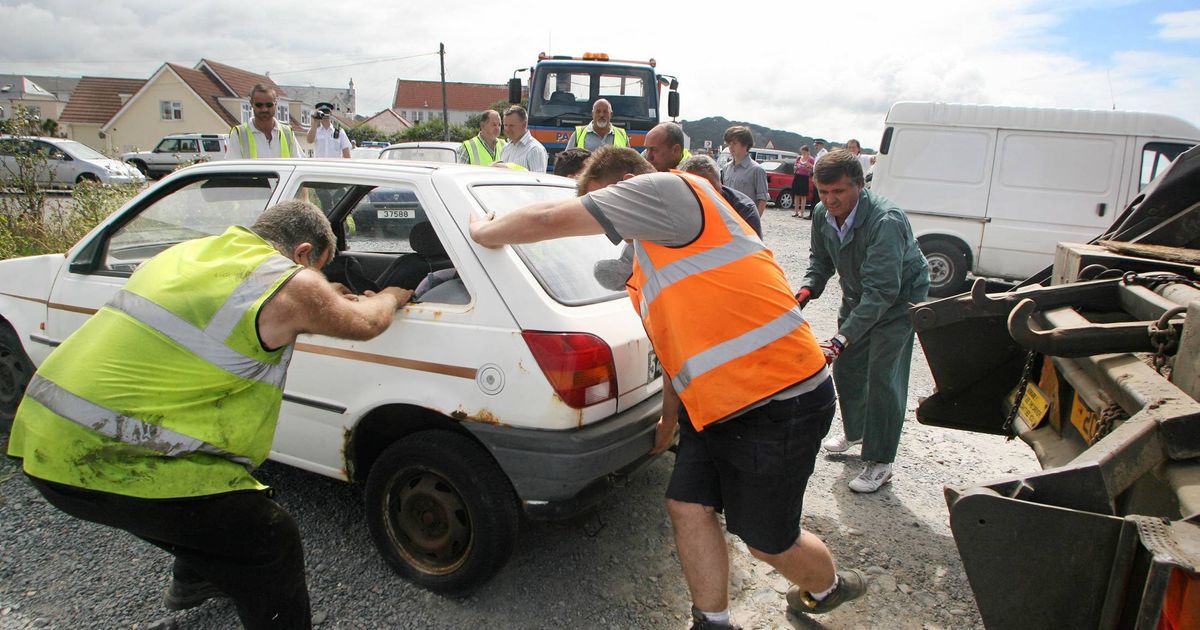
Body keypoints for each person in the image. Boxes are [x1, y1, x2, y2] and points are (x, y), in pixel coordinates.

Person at [470, 146, 867, 629]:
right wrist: (668, 419)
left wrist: (481, 230)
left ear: (631, 181)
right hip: (717, 406)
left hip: (778, 398)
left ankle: (828, 588)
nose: (612, 226)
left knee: (766, 540)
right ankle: (712, 622)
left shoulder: (674, 189)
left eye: (610, 205)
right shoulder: (648, 267)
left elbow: (551, 218)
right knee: (686, 504)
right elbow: (680, 351)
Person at [6, 200, 413, 629]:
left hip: (44, 438)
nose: (317, 280)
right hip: (114, 456)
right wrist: (391, 294)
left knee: (211, 513)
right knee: (270, 541)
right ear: (301, 254)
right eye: (318, 269)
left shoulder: (186, 254)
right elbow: (366, 323)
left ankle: (194, 581)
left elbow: (234, 303)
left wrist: (318, 292)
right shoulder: (291, 286)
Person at [796, 150, 930, 493]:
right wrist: (806, 290)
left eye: (839, 191)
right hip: (859, 294)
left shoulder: (886, 221)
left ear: (859, 184)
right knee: (848, 369)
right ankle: (857, 434)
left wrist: (841, 338)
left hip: (898, 301)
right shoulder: (823, 214)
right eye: (823, 192)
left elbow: (883, 293)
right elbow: (820, 261)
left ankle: (880, 460)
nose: (830, 200)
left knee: (883, 376)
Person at [679, 154, 762, 238]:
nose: (707, 198)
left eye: (712, 190)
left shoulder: (744, 210)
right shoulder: (673, 205)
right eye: (697, 191)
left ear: (721, 184)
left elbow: (754, 249)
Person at [226, 84, 303, 159]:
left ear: (275, 103)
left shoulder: (287, 133)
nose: (264, 109)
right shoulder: (239, 134)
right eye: (259, 105)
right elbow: (231, 169)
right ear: (251, 104)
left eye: (269, 105)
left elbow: (299, 165)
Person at [719, 125, 769, 216]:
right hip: (728, 219)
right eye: (729, 143)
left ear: (745, 144)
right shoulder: (726, 168)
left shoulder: (757, 170)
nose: (730, 147)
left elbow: (762, 200)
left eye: (734, 143)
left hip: (745, 220)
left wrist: (754, 223)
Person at [498, 105, 547, 172]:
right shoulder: (506, 147)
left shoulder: (535, 150)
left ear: (524, 125)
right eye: (506, 125)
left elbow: (538, 180)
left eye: (511, 125)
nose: (507, 129)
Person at [792, 145, 815, 219]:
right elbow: (795, 167)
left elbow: (812, 170)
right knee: (796, 195)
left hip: (805, 177)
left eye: (804, 152)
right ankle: (796, 211)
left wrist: (807, 168)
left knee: (803, 196)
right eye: (802, 152)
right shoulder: (798, 158)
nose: (803, 154)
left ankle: (802, 213)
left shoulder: (811, 159)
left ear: (807, 152)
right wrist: (796, 167)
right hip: (797, 176)